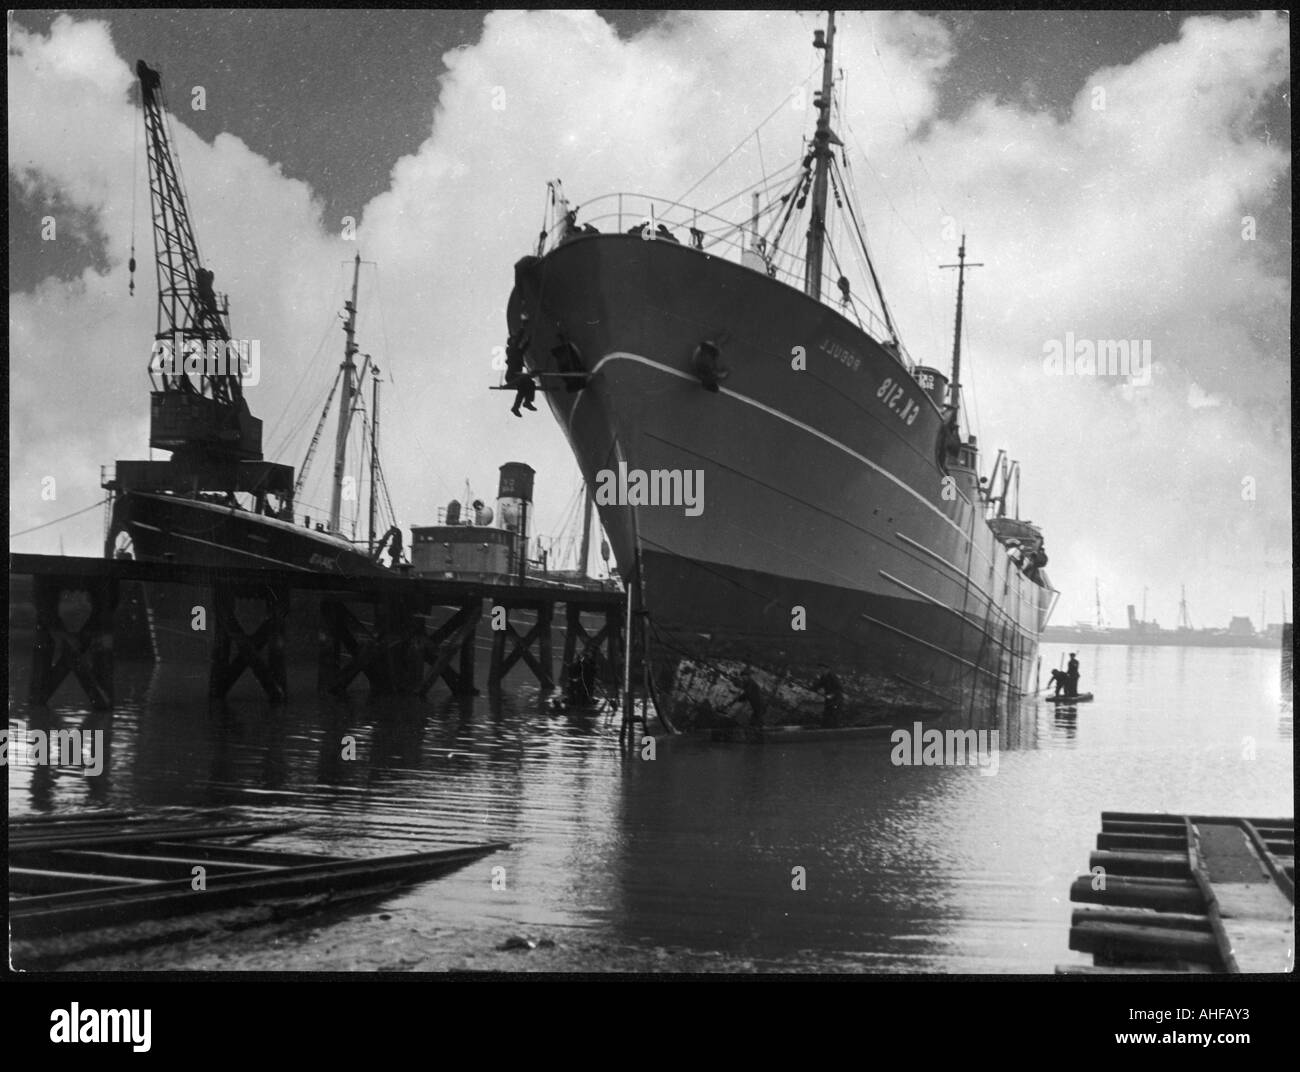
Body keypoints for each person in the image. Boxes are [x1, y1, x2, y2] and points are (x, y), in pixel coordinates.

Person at [504, 319, 536, 417]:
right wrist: (523, 327)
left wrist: (529, 341)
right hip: (512, 376)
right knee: (527, 381)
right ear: (511, 343)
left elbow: (523, 349)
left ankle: (517, 407)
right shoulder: (511, 350)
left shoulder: (517, 351)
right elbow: (518, 340)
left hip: (517, 376)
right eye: (513, 341)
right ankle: (526, 402)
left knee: (525, 387)